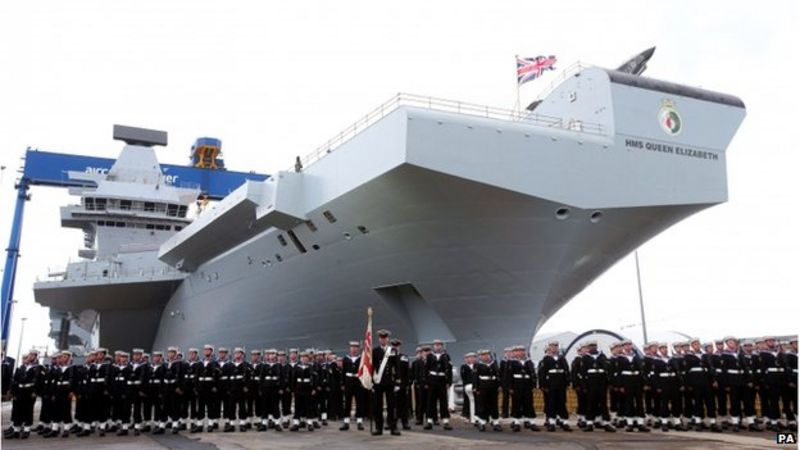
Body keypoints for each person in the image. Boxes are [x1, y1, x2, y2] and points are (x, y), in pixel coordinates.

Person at [8, 349, 46, 439]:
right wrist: (13, 392)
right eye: (30, 355)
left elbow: (40, 381)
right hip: (20, 391)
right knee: (18, 411)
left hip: (29, 392)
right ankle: (16, 431)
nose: (30, 357)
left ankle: (26, 430)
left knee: (28, 411)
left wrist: (35, 392)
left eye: (33, 355)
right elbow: (15, 380)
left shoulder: (39, 368)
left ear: (36, 357)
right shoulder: (22, 367)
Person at [579, 341, 615, 432]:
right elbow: (583, 373)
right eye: (591, 346)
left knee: (603, 403)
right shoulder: (585, 358)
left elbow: (608, 370)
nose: (593, 347)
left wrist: (609, 382)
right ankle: (589, 423)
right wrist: (584, 386)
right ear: (588, 348)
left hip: (601, 382)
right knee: (591, 403)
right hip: (590, 383)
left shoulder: (602, 356)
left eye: (594, 346)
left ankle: (606, 423)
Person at [537, 340, 572, 431]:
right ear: (549, 348)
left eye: (556, 346)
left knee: (562, 402)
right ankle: (551, 422)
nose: (554, 348)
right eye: (552, 346)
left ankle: (564, 421)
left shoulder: (562, 359)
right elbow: (542, 374)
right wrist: (543, 385)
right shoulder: (546, 359)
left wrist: (568, 383)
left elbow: (566, 371)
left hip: (561, 384)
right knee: (551, 403)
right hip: (551, 385)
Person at [373, 329, 401, 435]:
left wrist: (397, 382)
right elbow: (372, 367)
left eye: (385, 338)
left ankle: (393, 427)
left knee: (391, 406)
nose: (383, 340)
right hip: (378, 382)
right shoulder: (375, 351)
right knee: (377, 406)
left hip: (390, 382)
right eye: (381, 338)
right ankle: (378, 428)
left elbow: (397, 367)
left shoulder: (393, 350)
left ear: (388, 339)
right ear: (379, 339)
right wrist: (371, 381)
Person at [423, 338, 452, 431]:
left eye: (439, 345)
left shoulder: (446, 356)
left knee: (443, 401)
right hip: (432, 379)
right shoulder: (429, 356)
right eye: (436, 345)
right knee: (431, 401)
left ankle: (446, 421)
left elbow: (449, 370)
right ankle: (429, 421)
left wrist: (449, 382)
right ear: (433, 346)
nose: (437, 347)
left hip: (442, 380)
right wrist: (426, 382)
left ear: (442, 346)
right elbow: (426, 369)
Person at [760, 336, 787, 431]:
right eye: (770, 341)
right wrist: (766, 381)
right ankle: (773, 421)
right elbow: (763, 368)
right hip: (771, 380)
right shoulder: (763, 353)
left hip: (781, 379)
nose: (772, 342)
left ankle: (777, 419)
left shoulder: (779, 352)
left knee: (779, 401)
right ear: (766, 342)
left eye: (773, 341)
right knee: (773, 401)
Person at [223, 347, 251, 432]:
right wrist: (227, 388)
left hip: (241, 389)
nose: (237, 355)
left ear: (242, 355)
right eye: (236, 353)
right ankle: (232, 424)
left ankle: (242, 424)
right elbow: (227, 378)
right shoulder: (230, 365)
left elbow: (249, 378)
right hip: (232, 388)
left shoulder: (246, 365)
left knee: (242, 407)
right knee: (231, 407)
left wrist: (247, 386)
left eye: (239, 353)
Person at [194, 345, 221, 432]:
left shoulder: (215, 363)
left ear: (211, 351)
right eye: (205, 350)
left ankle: (210, 424)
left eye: (208, 350)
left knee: (210, 406)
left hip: (210, 387)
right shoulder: (199, 363)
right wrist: (196, 387)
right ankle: (199, 425)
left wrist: (215, 386)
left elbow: (218, 376)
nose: (206, 351)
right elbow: (196, 376)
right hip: (201, 387)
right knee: (200, 406)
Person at [340, 341, 366, 431]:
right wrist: (343, 383)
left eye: (355, 347)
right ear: (350, 349)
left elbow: (364, 371)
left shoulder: (361, 358)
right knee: (347, 402)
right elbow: (343, 372)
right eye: (352, 347)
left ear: (357, 349)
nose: (354, 349)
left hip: (358, 381)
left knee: (360, 402)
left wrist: (363, 381)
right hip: (348, 382)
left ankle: (359, 421)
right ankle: (346, 422)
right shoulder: (345, 359)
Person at [473, 349, 501, 432]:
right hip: (482, 386)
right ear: (480, 357)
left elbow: (498, 375)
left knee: (494, 404)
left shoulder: (494, 364)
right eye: (483, 355)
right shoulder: (478, 365)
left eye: (487, 355)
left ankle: (496, 422)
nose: (486, 357)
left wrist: (499, 385)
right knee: (482, 405)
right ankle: (482, 422)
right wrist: (476, 388)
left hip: (493, 385)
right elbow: (475, 377)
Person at [290, 351, 317, 432]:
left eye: (305, 357)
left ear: (308, 358)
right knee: (298, 406)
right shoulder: (296, 366)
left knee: (309, 406)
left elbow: (314, 378)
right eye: (302, 357)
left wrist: (314, 388)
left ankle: (310, 423)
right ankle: (296, 423)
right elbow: (293, 378)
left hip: (308, 388)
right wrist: (293, 390)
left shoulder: (311, 367)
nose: (304, 359)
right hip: (298, 388)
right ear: (300, 358)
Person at [259, 349, 284, 431]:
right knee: (264, 406)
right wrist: (261, 388)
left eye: (273, 354)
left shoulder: (278, 366)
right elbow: (261, 378)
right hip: (266, 388)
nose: (271, 355)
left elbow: (282, 378)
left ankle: (277, 423)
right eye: (270, 354)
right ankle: (264, 424)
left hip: (275, 388)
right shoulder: (264, 365)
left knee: (275, 406)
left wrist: (281, 388)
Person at [391, 339, 411, 431]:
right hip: (391, 385)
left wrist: (407, 385)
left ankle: (405, 422)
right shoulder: (387, 357)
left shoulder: (404, 357)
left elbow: (407, 372)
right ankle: (391, 423)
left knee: (404, 405)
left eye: (397, 346)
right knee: (392, 406)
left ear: (399, 347)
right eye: (394, 346)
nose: (395, 347)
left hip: (402, 385)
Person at [129, 348, 150, 436]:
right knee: (131, 408)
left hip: (139, 390)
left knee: (137, 408)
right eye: (134, 354)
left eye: (138, 355)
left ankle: (137, 426)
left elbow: (146, 379)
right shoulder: (130, 365)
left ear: (141, 356)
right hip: (131, 389)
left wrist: (142, 390)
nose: (135, 356)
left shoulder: (144, 366)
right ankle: (134, 422)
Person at [148, 351, 169, 434]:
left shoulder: (164, 367)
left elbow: (164, 380)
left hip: (160, 390)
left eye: (157, 356)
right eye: (154, 356)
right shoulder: (151, 367)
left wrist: (162, 391)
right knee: (155, 408)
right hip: (152, 390)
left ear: (160, 357)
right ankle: (157, 424)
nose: (155, 358)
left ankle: (162, 425)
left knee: (161, 408)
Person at [411, 345, 429, 426]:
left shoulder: (429, 361)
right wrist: (416, 383)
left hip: (428, 384)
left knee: (428, 402)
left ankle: (429, 418)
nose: (422, 354)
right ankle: (419, 418)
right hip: (420, 384)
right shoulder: (417, 362)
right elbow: (415, 374)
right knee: (420, 402)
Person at [460, 352, 477, 425]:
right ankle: (466, 415)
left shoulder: (477, 366)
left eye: (473, 357)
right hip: (467, 385)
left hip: (475, 385)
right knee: (466, 401)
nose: (471, 359)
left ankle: (475, 416)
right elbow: (463, 376)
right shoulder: (464, 366)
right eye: (469, 358)